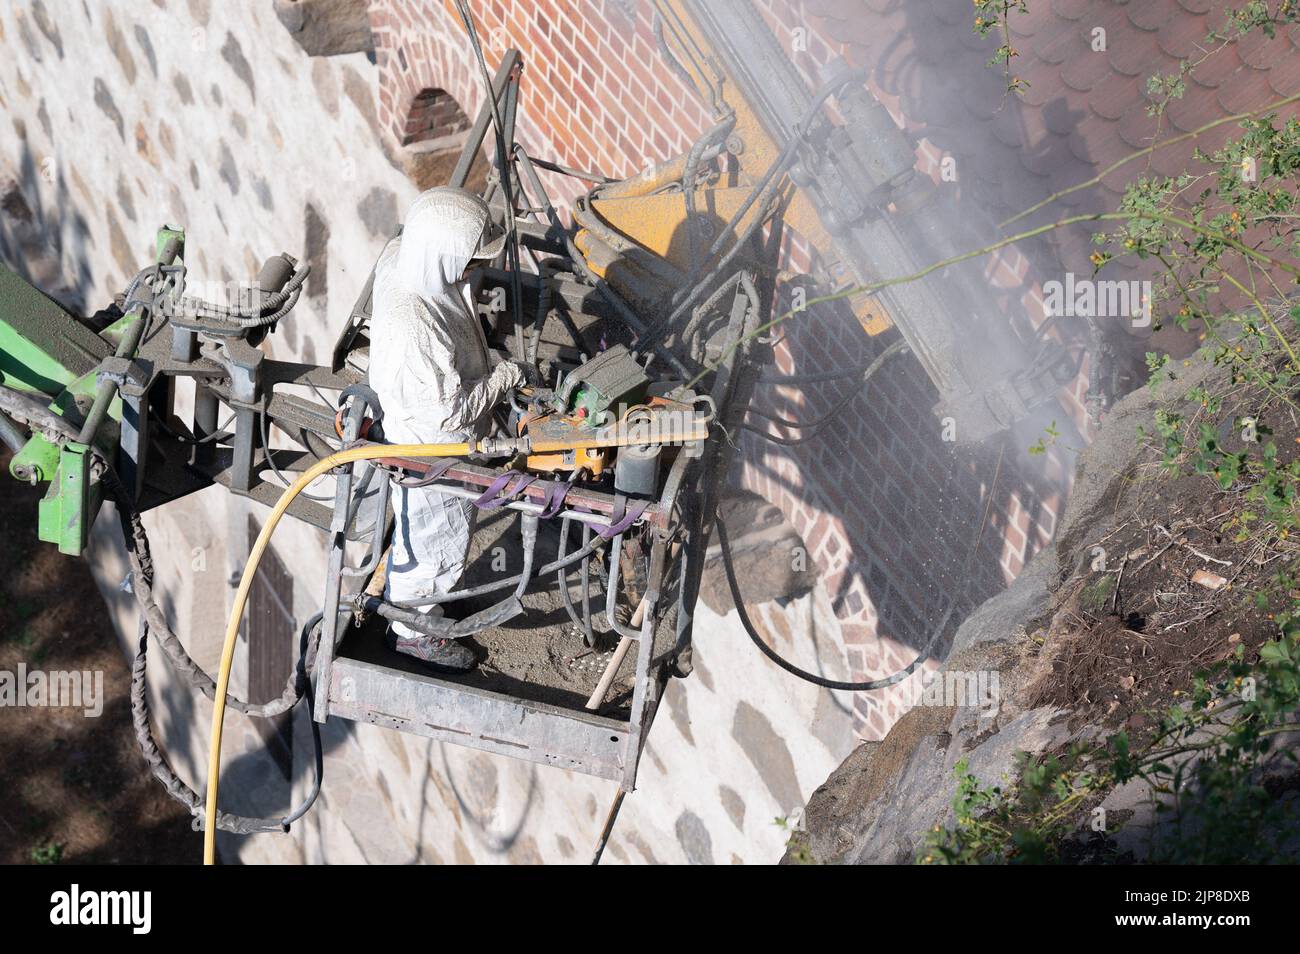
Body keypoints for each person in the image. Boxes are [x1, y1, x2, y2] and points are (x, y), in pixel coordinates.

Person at [368, 187, 530, 671]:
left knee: (440, 539)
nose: (469, 271)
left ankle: (430, 603)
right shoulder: (414, 328)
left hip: (434, 421)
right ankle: (414, 630)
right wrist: (505, 376)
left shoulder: (410, 261)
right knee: (437, 542)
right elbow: (450, 415)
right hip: (432, 451)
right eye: (466, 261)